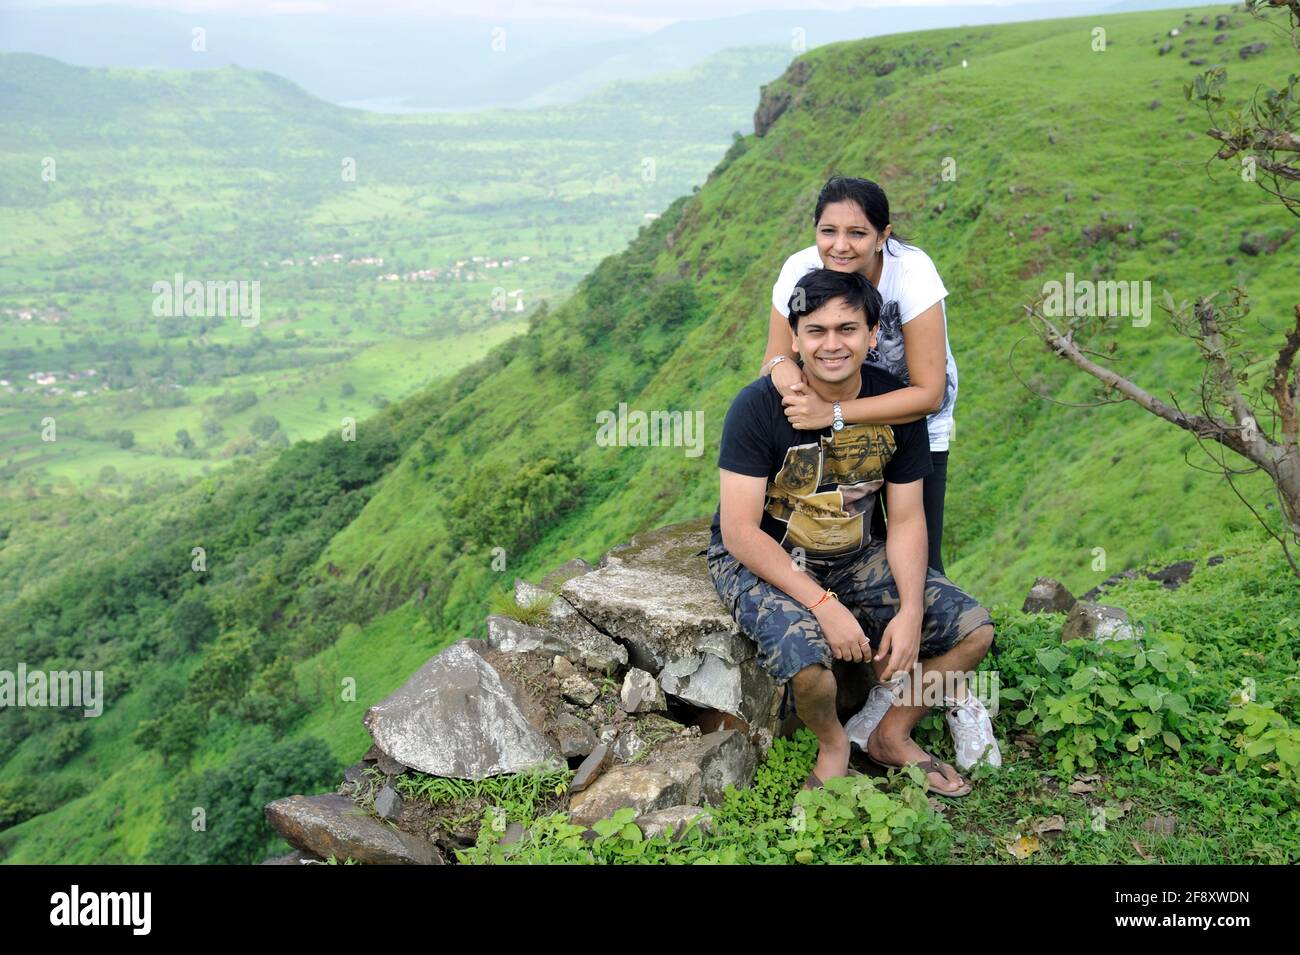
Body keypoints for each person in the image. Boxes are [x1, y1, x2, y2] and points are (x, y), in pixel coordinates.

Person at [707, 267, 997, 796]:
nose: (831, 344)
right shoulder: (757, 407)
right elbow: (740, 532)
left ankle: (891, 731)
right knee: (810, 664)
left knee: (973, 630)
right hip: (769, 555)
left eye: (847, 329)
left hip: (855, 552)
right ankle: (834, 741)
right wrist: (823, 604)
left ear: (872, 335)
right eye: (815, 331)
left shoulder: (895, 406)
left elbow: (907, 518)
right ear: (793, 339)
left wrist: (910, 611)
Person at [760, 175, 958, 575]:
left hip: (912, 428)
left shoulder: (911, 273)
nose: (840, 246)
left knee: (921, 561)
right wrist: (787, 378)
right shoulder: (800, 269)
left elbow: (930, 394)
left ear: (882, 235)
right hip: (837, 436)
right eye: (827, 231)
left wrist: (831, 411)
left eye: (857, 233)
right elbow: (775, 360)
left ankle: (922, 632)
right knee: (853, 552)